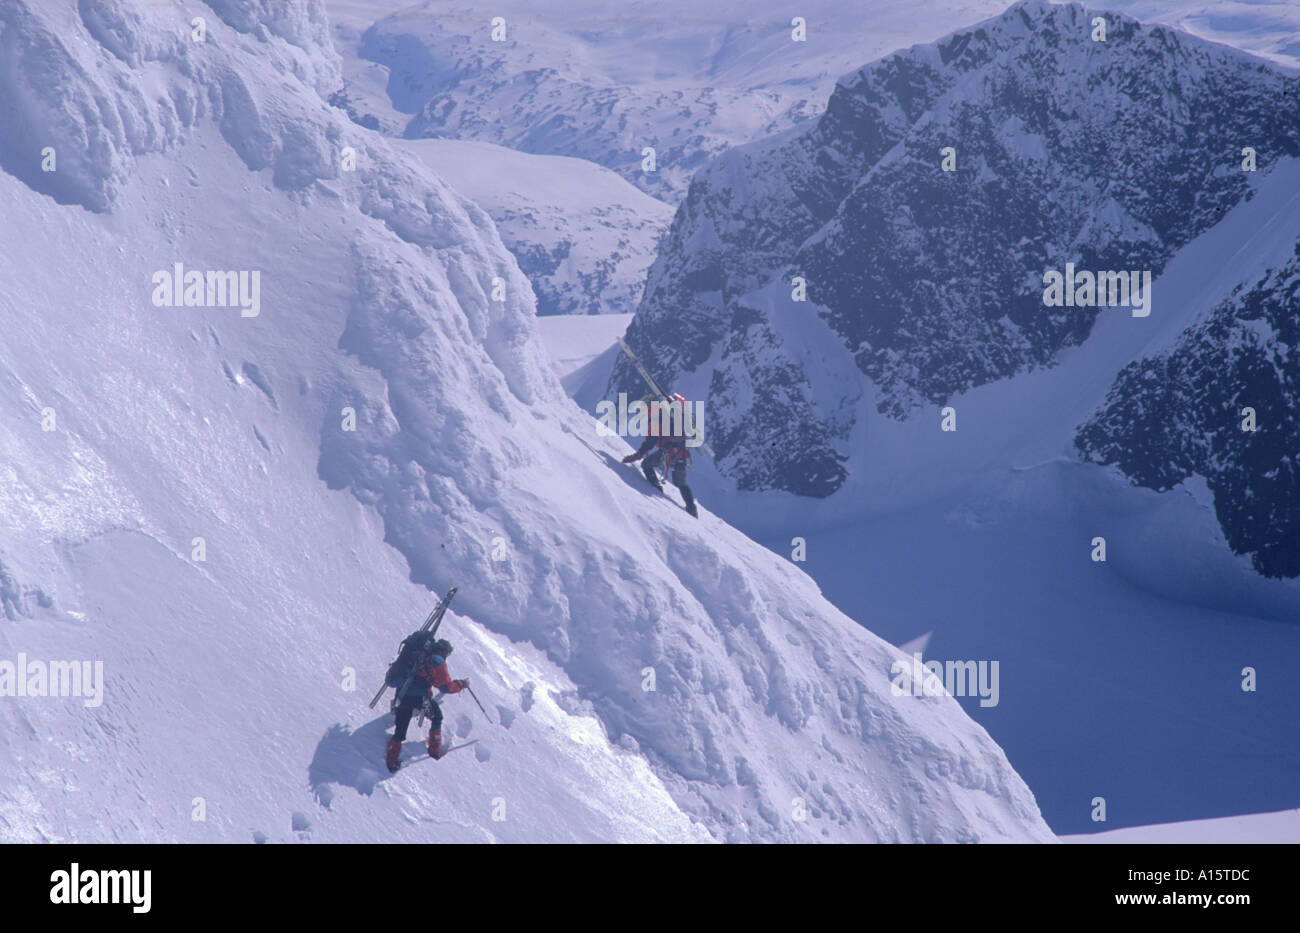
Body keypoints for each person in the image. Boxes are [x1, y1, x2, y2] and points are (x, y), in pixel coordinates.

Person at [386, 637, 468, 772]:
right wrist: (461, 684)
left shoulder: (416, 654)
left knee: (400, 730)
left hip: (402, 696)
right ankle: (434, 749)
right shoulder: (437, 661)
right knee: (436, 717)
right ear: (444, 652)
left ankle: (391, 761)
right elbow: (445, 687)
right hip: (421, 699)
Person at [622, 393, 698, 517]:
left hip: (668, 453)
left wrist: (638, 455)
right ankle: (692, 509)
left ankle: (655, 488)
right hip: (681, 453)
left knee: (646, 465)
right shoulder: (670, 412)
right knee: (681, 483)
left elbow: (650, 441)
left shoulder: (657, 418)